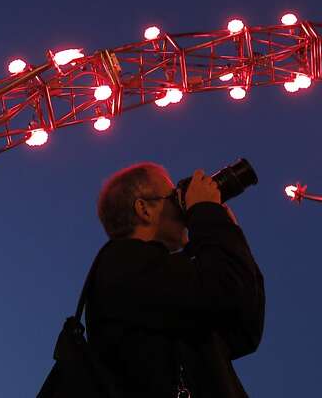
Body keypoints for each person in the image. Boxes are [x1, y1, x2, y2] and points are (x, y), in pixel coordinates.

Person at [86, 162, 265, 397]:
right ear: (144, 209)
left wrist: (227, 231)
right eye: (174, 196)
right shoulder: (121, 264)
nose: (182, 203)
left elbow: (244, 327)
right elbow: (225, 293)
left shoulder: (163, 274)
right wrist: (207, 213)